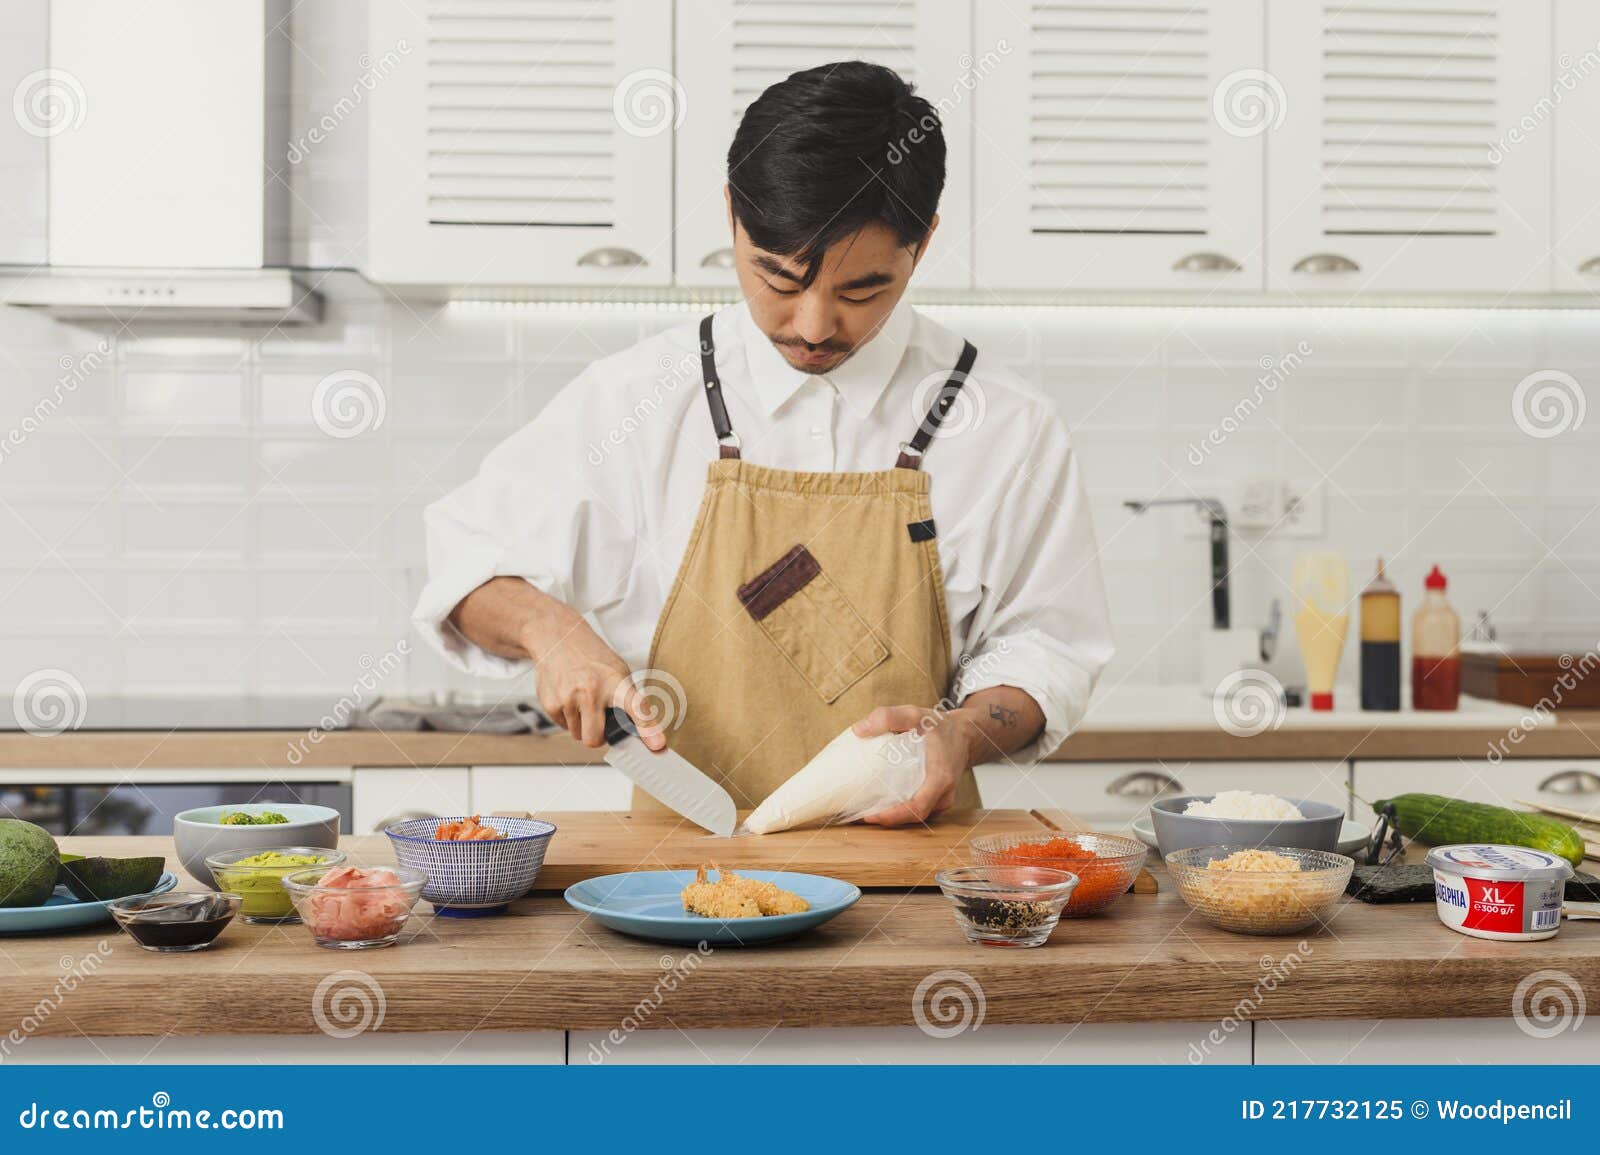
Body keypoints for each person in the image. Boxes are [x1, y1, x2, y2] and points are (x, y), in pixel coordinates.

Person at [414, 61, 1113, 825]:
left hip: (914, 877)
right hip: (679, 882)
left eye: (861, 289)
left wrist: (962, 732)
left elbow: (1049, 649)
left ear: (924, 241)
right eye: (778, 278)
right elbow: (466, 569)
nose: (814, 326)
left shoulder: (1008, 425)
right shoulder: (633, 398)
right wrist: (551, 632)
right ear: (731, 217)